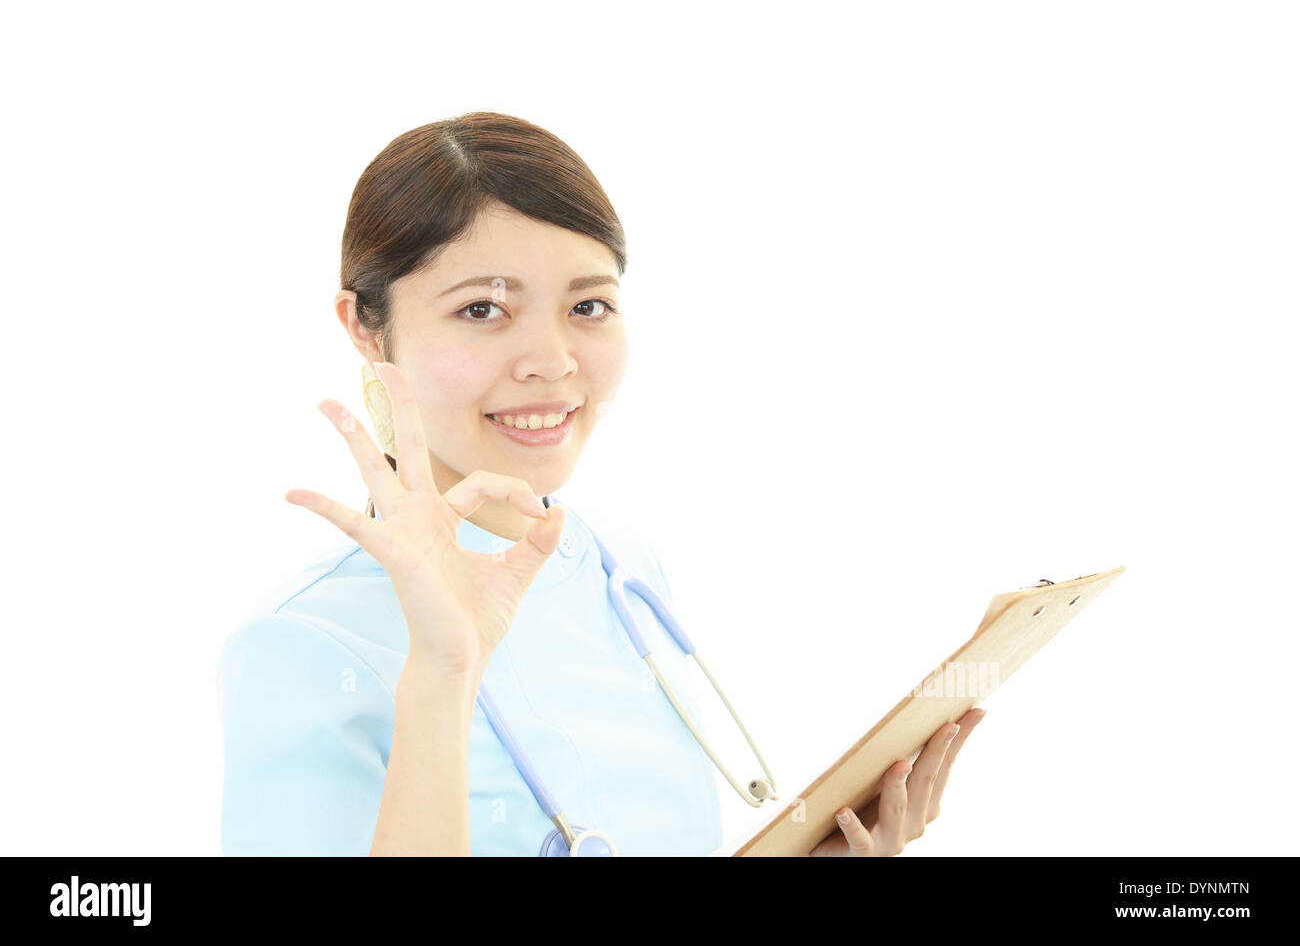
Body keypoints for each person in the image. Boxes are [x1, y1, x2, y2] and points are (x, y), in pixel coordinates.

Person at [217, 111, 985, 857]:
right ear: (363, 324)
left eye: (588, 305)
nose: (551, 359)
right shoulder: (302, 642)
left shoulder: (627, 570)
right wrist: (444, 671)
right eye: (483, 308)